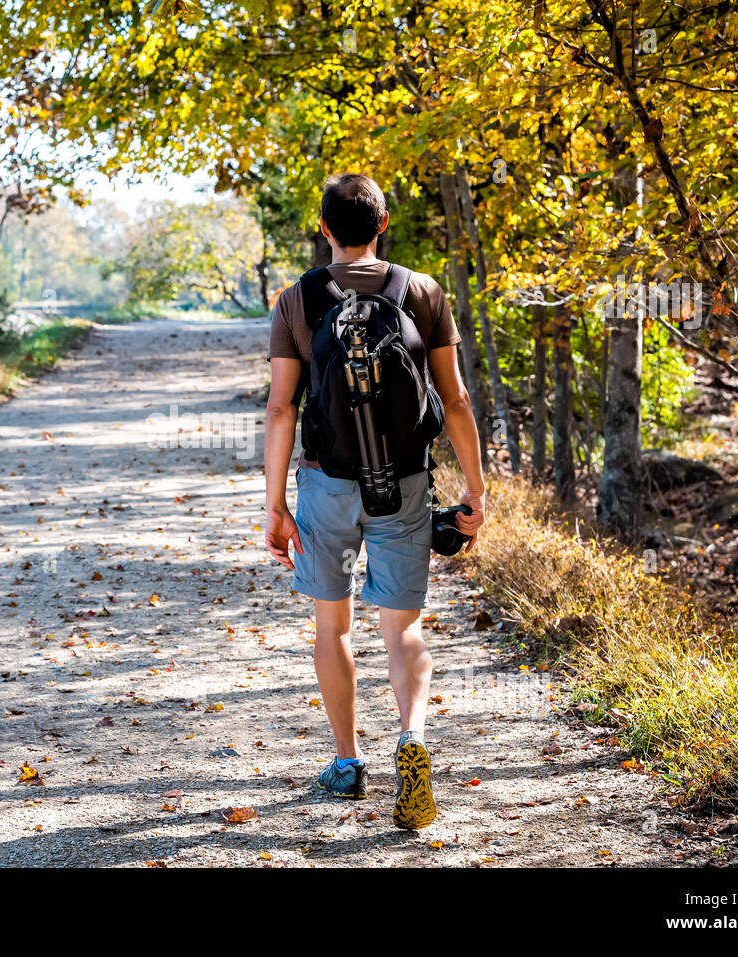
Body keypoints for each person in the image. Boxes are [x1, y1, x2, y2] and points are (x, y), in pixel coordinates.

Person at [263, 173, 486, 829]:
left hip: (326, 484)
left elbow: (281, 408)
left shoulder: (296, 301)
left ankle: (347, 763)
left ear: (324, 228)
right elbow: (456, 401)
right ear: (383, 223)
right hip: (407, 481)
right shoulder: (421, 292)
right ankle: (412, 740)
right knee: (404, 628)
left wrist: (274, 504)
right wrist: (476, 488)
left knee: (332, 626)